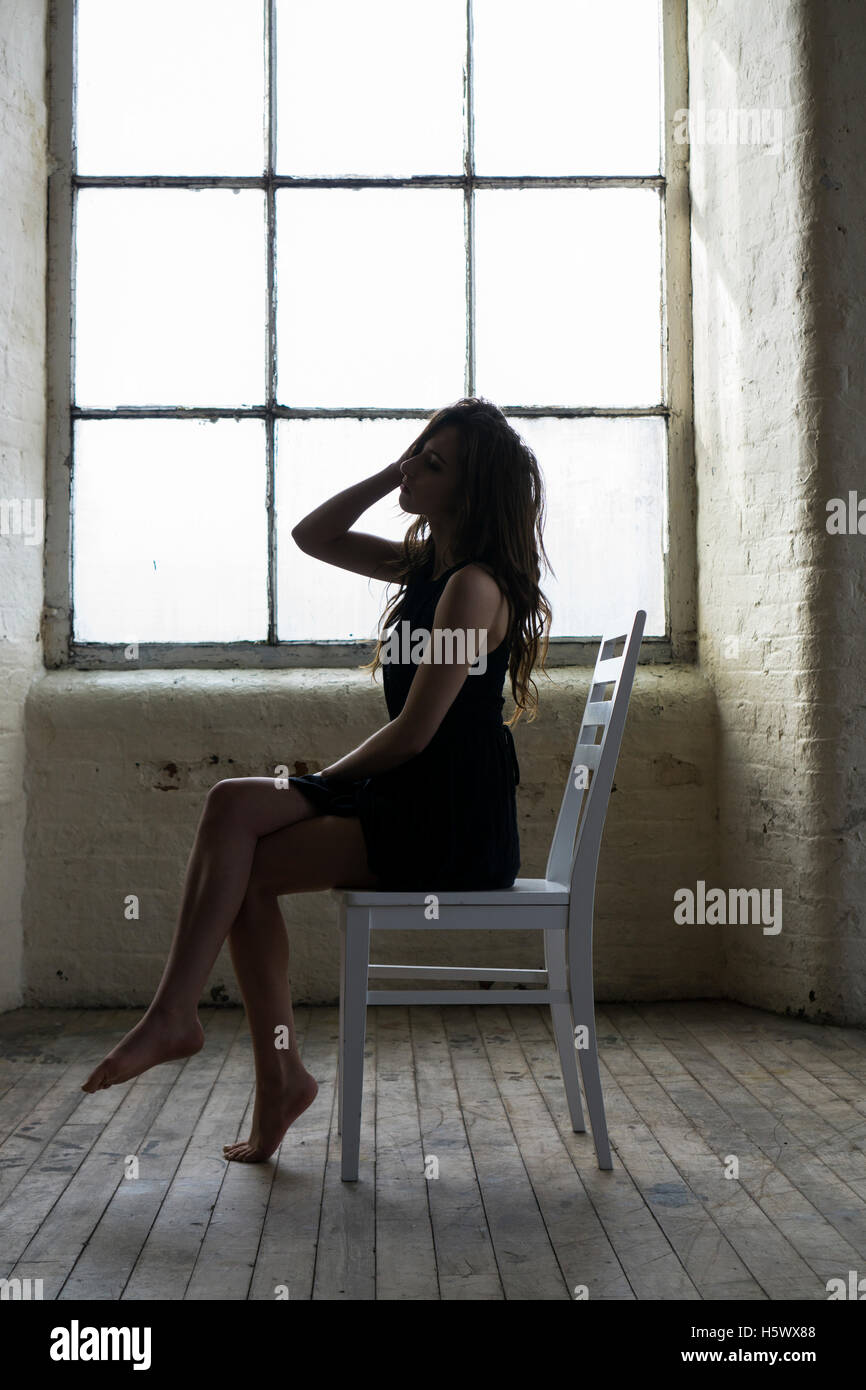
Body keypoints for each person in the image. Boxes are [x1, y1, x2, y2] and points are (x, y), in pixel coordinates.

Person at [81, 397, 552, 1163]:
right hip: (415, 799)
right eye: (416, 452)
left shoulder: (472, 588)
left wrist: (319, 785)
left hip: (451, 820)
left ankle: (195, 1029)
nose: (412, 469)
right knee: (240, 845)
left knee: (238, 828)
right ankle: (264, 1067)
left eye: (434, 466)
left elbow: (417, 733)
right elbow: (314, 536)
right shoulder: (425, 566)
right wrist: (395, 472)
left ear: (468, 494)